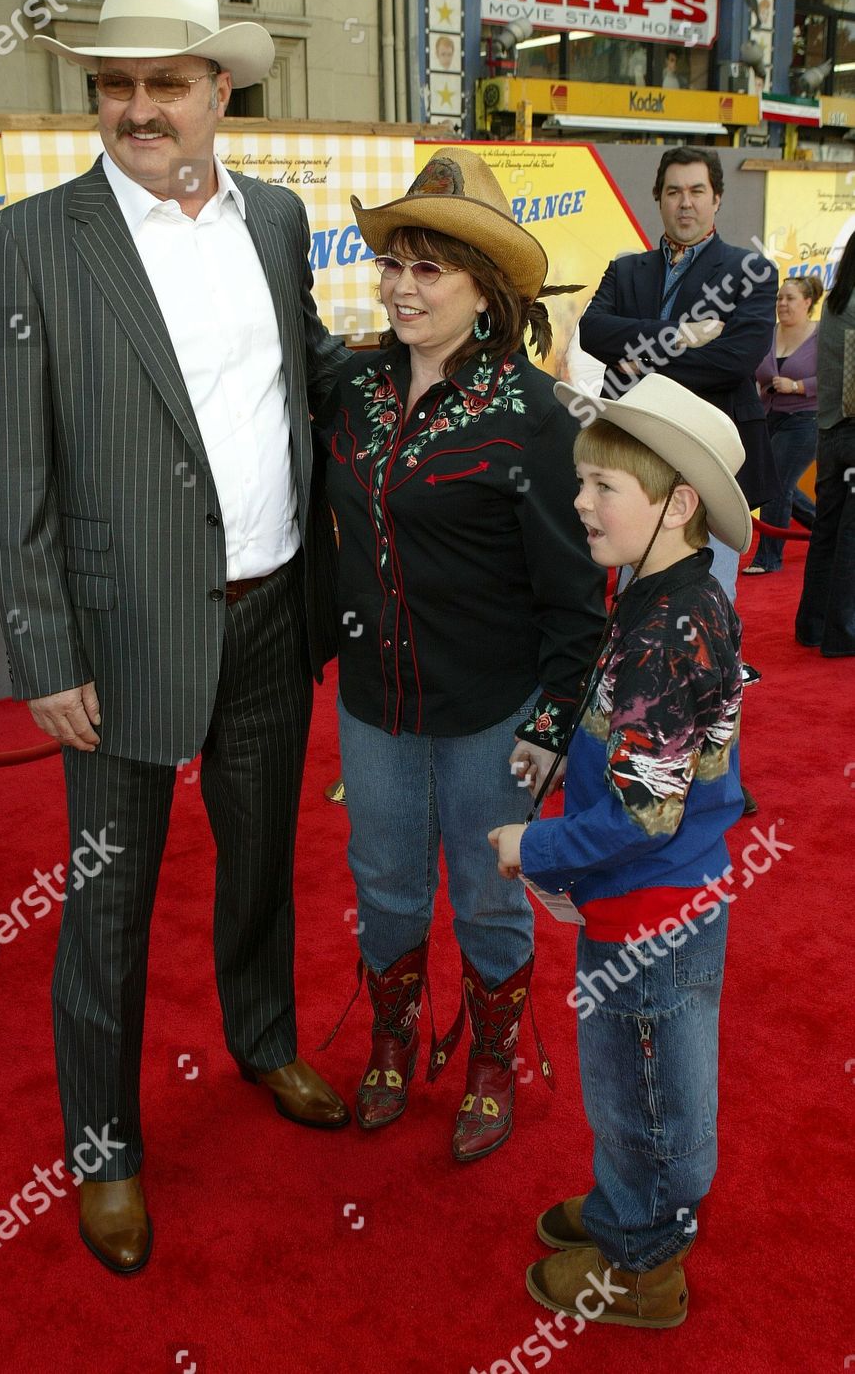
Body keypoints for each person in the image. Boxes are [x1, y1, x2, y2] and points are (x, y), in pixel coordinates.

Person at [0, 0, 351, 1275]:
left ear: (219, 87)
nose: (137, 108)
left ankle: (262, 1041)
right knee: (107, 905)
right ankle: (104, 1150)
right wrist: (41, 649)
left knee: (260, 863)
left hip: (271, 611)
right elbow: (9, 470)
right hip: (117, 639)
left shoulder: (281, 220)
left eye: (164, 83)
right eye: (114, 85)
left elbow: (303, 377)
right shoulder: (26, 244)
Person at [317, 147, 606, 1160]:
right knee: (385, 881)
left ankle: (490, 1058)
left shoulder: (535, 419)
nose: (401, 286)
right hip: (374, 705)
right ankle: (392, 1038)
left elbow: (577, 599)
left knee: (489, 895)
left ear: (486, 291)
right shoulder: (350, 389)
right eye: (394, 263)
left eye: (429, 268)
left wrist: (551, 728)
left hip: (494, 714)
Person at [489, 373, 750, 1329]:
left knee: (643, 1091)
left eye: (603, 487)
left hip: (648, 907)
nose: (578, 502)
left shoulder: (664, 631)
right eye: (581, 480)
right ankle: (622, 1209)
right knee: (631, 1076)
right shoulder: (661, 597)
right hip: (648, 903)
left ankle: (643, 1263)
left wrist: (534, 842)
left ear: (677, 505)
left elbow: (643, 816)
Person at [580, 146, 777, 607]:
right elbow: (593, 332)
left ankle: (716, 679)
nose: (684, 202)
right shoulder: (626, 269)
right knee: (635, 589)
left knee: (712, 594)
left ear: (717, 199)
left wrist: (639, 356)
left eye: (696, 191)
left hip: (714, 454)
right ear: (659, 198)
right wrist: (683, 335)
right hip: (636, 451)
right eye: (673, 192)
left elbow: (735, 361)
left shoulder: (749, 272)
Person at [796, 235, 855, 655]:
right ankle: (843, 633)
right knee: (850, 538)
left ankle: (811, 626)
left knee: (825, 533)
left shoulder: (836, 303)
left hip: (829, 430)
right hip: (851, 428)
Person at [743, 274, 821, 575]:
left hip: (805, 419)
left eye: (789, 298)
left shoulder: (822, 335)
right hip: (768, 419)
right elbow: (752, 371)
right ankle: (824, 530)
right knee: (778, 484)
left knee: (776, 485)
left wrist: (799, 385)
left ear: (807, 302)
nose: (782, 304)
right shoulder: (768, 333)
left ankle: (767, 558)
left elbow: (837, 376)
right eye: (779, 299)